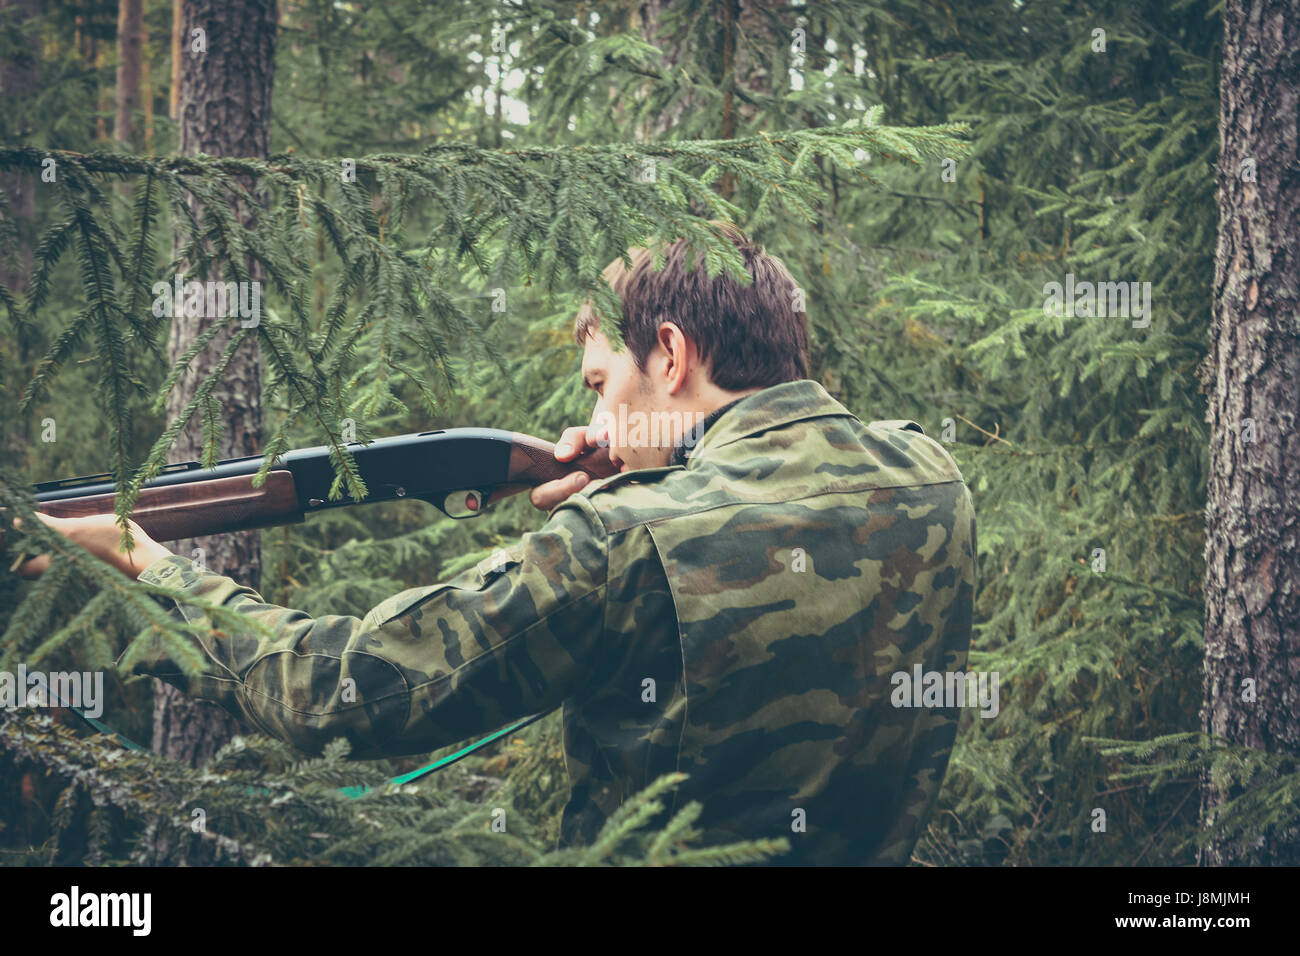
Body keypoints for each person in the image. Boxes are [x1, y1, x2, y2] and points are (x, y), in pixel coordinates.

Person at [25, 221, 977, 865]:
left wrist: (144, 566)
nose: (592, 410)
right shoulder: (932, 476)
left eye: (601, 380)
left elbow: (344, 692)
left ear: (674, 357)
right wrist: (647, 472)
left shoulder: (620, 542)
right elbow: (763, 506)